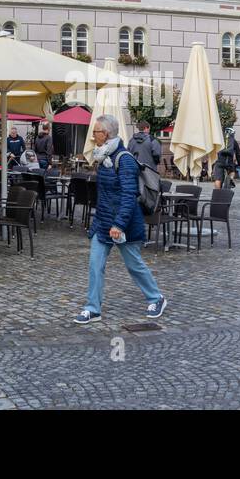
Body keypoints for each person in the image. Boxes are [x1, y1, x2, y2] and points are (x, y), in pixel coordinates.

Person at [74, 115, 166, 324]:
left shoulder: (123, 159)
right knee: (95, 265)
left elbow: (128, 196)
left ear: (105, 134)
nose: (92, 136)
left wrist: (119, 224)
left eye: (95, 131)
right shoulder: (103, 158)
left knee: (134, 264)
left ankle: (156, 297)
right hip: (103, 221)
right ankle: (92, 308)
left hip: (123, 223)